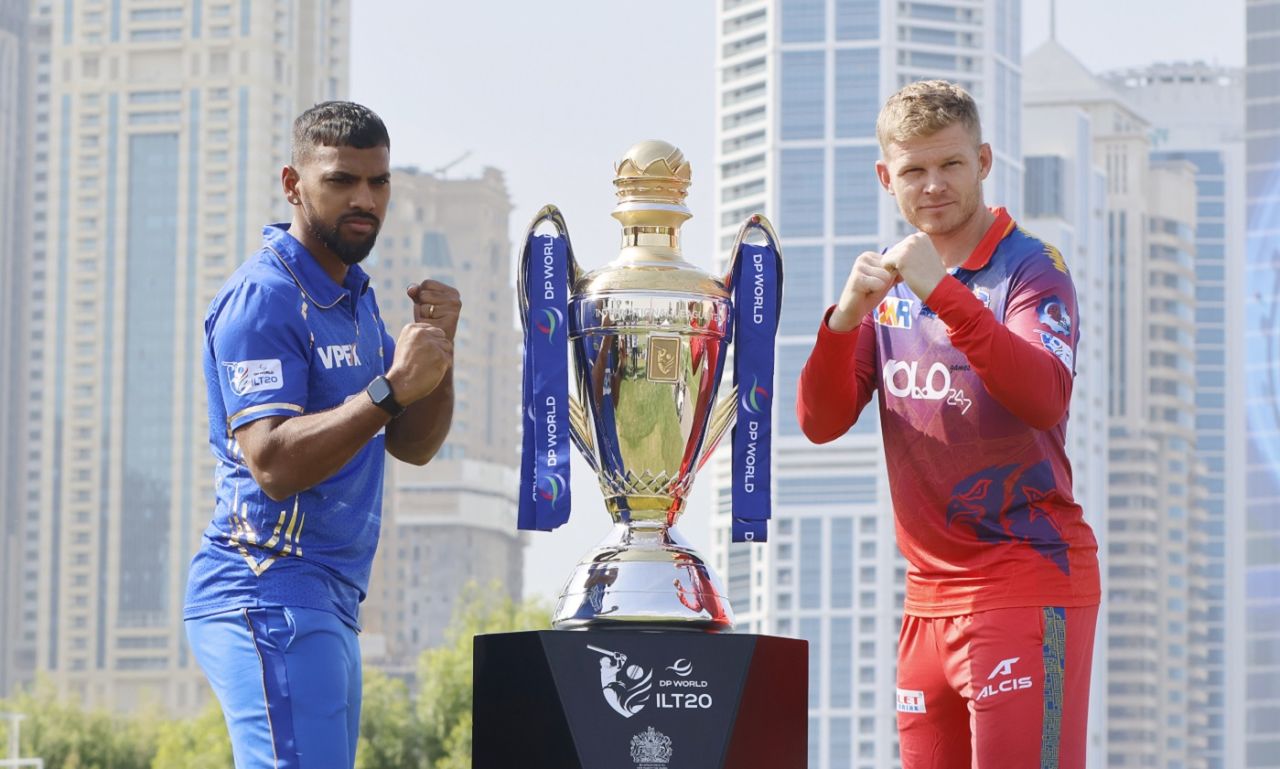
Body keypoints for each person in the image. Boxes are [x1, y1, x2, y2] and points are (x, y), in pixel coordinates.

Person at [796, 80, 1100, 769]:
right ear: (886, 177)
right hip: (925, 601)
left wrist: (944, 291)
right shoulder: (887, 289)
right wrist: (844, 319)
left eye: (951, 165)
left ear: (985, 161)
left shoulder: (1031, 268)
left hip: (1026, 581)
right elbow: (820, 421)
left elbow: (1044, 395)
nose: (933, 185)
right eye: (913, 170)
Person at [184, 101, 459, 769]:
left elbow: (413, 445)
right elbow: (272, 460)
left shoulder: (359, 300)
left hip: (331, 596)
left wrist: (438, 348)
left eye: (378, 182)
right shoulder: (264, 297)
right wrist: (390, 388)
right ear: (293, 183)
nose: (364, 199)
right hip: (264, 587)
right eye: (341, 181)